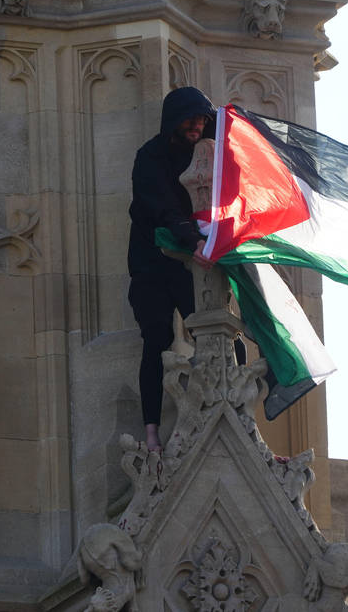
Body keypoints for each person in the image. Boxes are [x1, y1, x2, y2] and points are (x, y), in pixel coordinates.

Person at [127, 86, 215, 452]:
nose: (197, 125)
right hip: (153, 259)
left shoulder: (207, 153)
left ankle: (233, 414)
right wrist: (191, 238)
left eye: (201, 119)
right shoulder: (150, 156)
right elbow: (160, 206)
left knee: (216, 327)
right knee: (157, 336)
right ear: (174, 120)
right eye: (190, 118)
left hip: (192, 254)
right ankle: (151, 434)